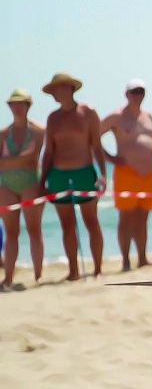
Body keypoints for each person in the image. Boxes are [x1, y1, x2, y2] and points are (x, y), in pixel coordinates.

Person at [40, 73, 107, 279]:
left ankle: (98, 269)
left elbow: (97, 146)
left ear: (69, 88)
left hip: (84, 173)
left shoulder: (88, 112)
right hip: (58, 175)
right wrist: (42, 181)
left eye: (56, 89)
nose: (54, 94)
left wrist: (103, 175)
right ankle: (73, 271)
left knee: (91, 221)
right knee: (67, 225)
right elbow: (49, 152)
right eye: (52, 90)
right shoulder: (53, 118)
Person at [100, 79, 152, 271]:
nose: (137, 96)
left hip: (149, 175)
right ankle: (125, 261)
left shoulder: (148, 116)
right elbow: (93, 137)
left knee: (143, 217)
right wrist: (110, 158)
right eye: (134, 92)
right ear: (126, 94)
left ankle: (142, 258)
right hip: (127, 173)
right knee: (126, 218)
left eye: (141, 92)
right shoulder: (117, 116)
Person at [0, 89, 45, 288]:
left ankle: (38, 276)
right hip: (7, 185)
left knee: (34, 230)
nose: (17, 107)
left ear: (28, 105)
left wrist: (9, 161)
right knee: (11, 233)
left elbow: (33, 160)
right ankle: (8, 277)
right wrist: (21, 161)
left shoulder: (38, 131)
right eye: (13, 104)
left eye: (21, 103)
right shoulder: (3, 134)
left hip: (30, 183)